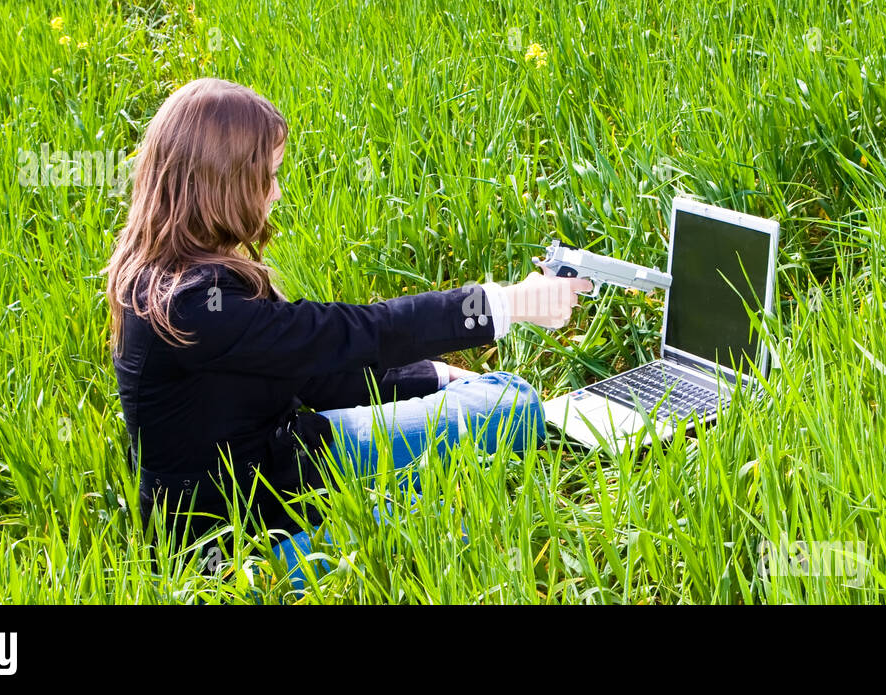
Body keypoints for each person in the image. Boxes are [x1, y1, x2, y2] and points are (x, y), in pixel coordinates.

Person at [102, 78, 590, 592]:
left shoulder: (173, 277)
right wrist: (509, 303)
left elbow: (313, 371)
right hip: (240, 550)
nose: (277, 191)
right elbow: (356, 332)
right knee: (501, 428)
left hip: (281, 466)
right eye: (268, 177)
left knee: (498, 404)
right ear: (220, 184)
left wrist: (434, 376)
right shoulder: (193, 305)